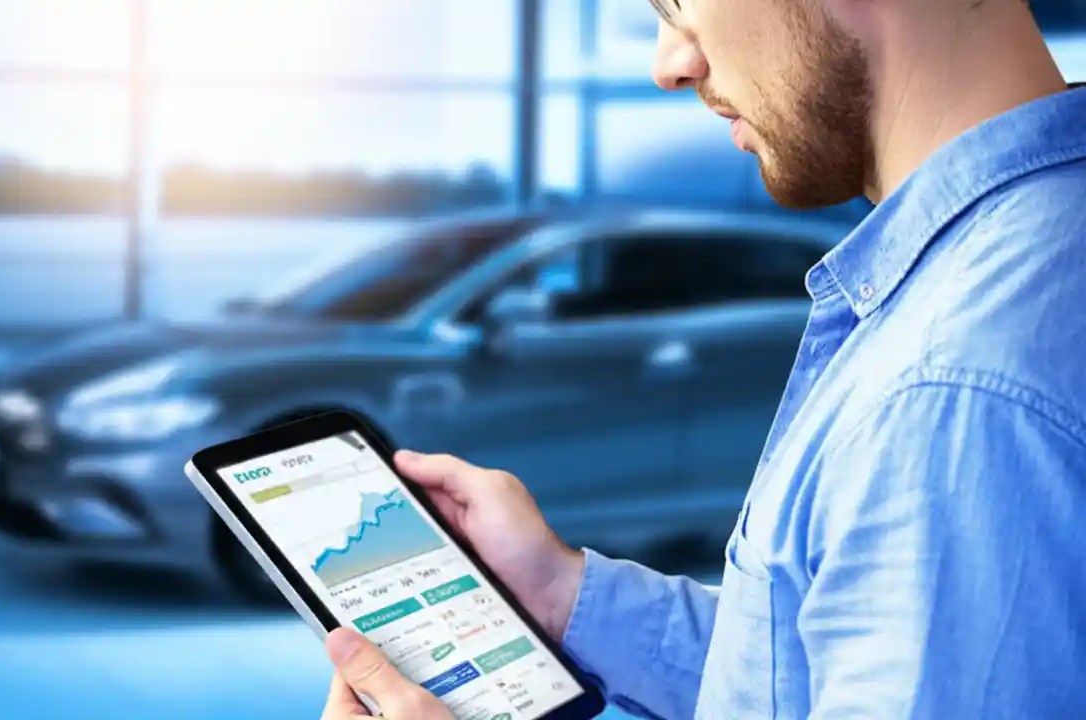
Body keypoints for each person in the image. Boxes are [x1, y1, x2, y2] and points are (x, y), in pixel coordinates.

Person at [322, 0, 1086, 716]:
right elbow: (816, 669)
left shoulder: (950, 395)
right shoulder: (1031, 260)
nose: (670, 65)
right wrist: (561, 596)